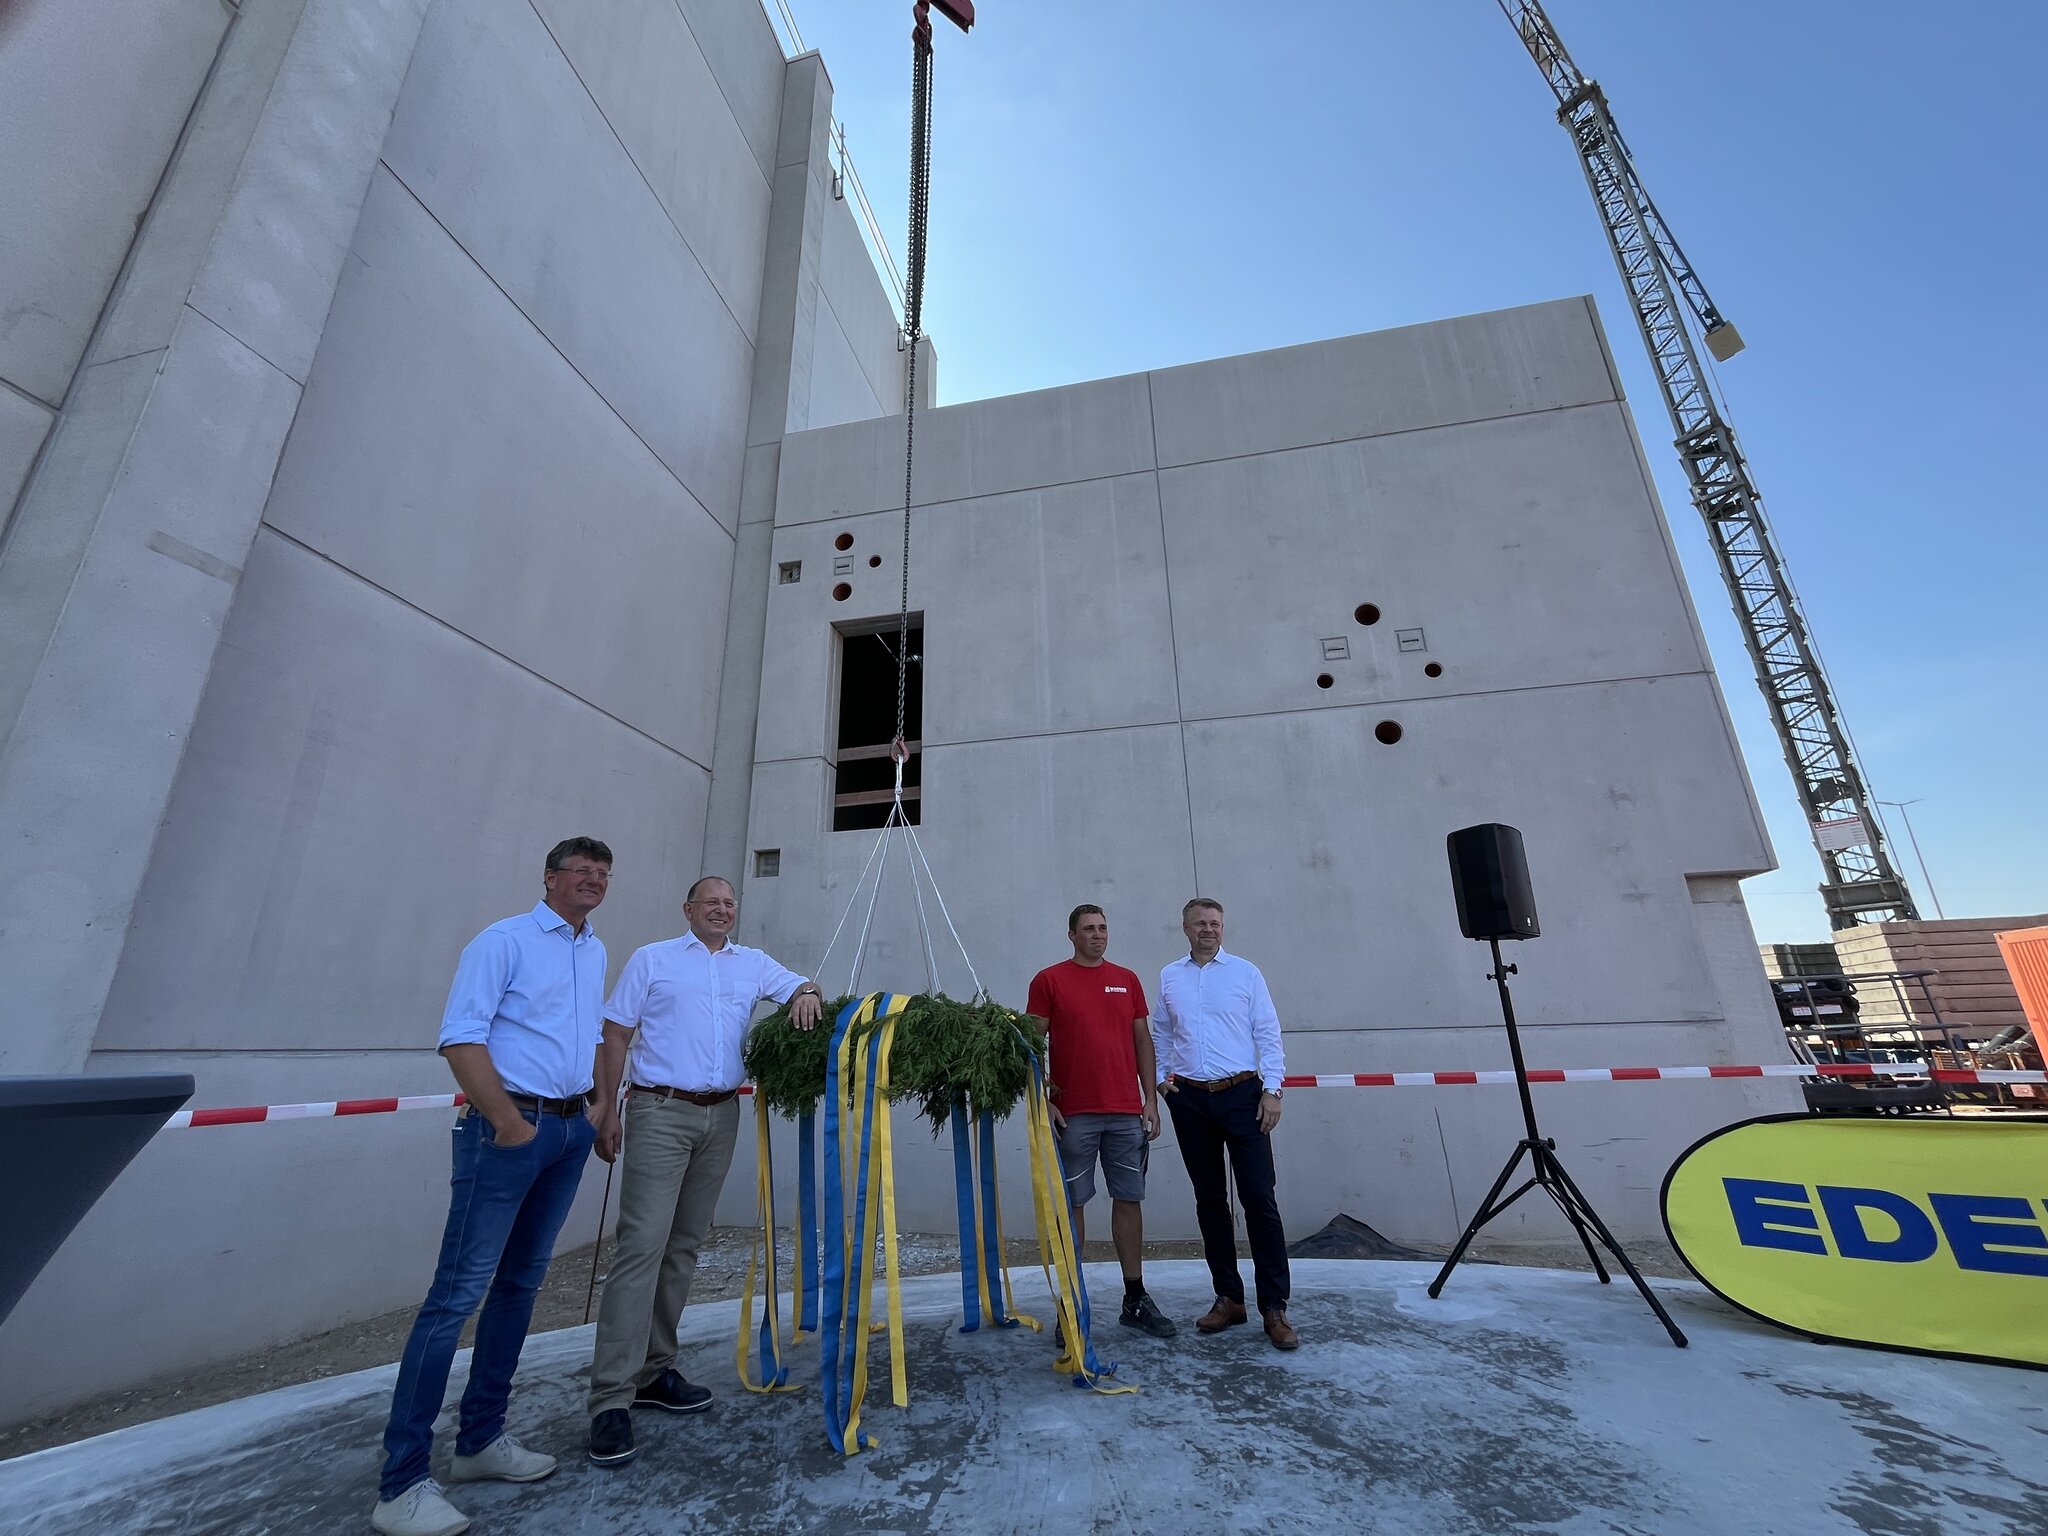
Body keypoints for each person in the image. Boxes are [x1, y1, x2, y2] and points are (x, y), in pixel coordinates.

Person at [372, 838, 614, 1536]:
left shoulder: (592, 949)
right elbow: (461, 1038)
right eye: (581, 873)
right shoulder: (502, 941)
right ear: (549, 878)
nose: (593, 883)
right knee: (454, 1300)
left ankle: (480, 1441)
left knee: (518, 1289)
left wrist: (603, 1108)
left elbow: (594, 1035)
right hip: (510, 1133)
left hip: (567, 1132)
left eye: (603, 875)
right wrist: (507, 1122)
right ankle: (401, 1484)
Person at [583, 875, 823, 1466]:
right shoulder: (653, 959)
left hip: (721, 1117)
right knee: (642, 1246)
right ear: (688, 909)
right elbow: (615, 1033)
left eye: (729, 904)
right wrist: (605, 1106)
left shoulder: (752, 963)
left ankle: (654, 1371)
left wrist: (807, 991)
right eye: (710, 903)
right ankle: (610, 1397)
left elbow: (797, 985)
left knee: (684, 1246)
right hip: (660, 1111)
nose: (722, 910)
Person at [1027, 904, 1176, 1340]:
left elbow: (1142, 1040)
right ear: (1071, 935)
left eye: (1103, 928)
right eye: (1089, 929)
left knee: (1129, 1200)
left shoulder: (1127, 979)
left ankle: (1135, 1298)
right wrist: (1044, 1098)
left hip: (1126, 1112)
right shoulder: (1049, 980)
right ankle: (1069, 1306)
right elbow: (1030, 1045)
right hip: (1073, 1115)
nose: (1098, 935)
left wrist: (1150, 1099)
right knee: (1072, 1205)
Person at [1154, 897, 1297, 1350]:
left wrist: (1273, 1090)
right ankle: (1228, 1298)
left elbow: (1268, 1033)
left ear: (1223, 927)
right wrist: (1160, 1079)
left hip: (1243, 1097)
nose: (1208, 929)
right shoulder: (1170, 977)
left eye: (1215, 923)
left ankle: (1273, 1307)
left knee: (1259, 1199)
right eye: (1200, 923)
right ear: (1185, 928)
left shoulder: (1246, 973)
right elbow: (1159, 1031)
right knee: (1210, 1201)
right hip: (1191, 1100)